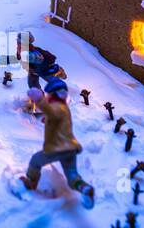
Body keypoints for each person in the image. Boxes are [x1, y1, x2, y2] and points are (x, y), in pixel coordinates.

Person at [21, 78, 94, 209]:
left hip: (58, 148)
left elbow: (51, 111)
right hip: (70, 149)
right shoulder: (64, 108)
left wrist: (39, 99)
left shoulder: (56, 107)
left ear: (54, 94)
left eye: (48, 94)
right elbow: (55, 117)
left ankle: (31, 183)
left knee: (36, 160)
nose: (47, 96)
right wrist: (47, 119)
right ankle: (85, 188)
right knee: (72, 176)